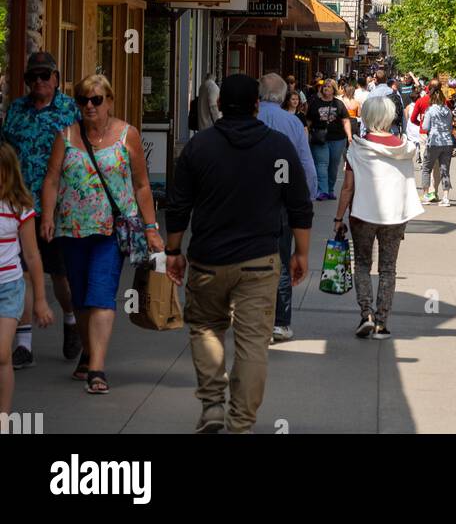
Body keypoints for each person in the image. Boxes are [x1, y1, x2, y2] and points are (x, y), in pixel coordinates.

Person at [165, 74, 312, 434]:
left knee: (205, 328)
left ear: (218, 105)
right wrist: (301, 253)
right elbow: (299, 204)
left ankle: (213, 404)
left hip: (207, 259)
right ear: (257, 106)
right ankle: (241, 423)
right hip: (260, 261)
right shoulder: (278, 147)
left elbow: (178, 203)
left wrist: (173, 250)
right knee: (253, 345)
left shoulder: (200, 147)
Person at [40, 73, 163, 394]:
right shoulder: (65, 135)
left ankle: (97, 367)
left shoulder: (127, 135)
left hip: (112, 230)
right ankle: (88, 351)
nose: (90, 106)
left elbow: (142, 185)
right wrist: (47, 217)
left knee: (102, 293)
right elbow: (52, 179)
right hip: (72, 229)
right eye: (83, 100)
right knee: (79, 296)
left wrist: (151, 228)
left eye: (96, 100)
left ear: (109, 101)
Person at [0, 50, 79, 369]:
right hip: (19, 201)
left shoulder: (69, 110)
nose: (38, 82)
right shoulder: (17, 109)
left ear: (56, 78)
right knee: (21, 272)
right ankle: (23, 342)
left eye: (44, 76)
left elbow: (77, 157)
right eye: (32, 77)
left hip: (55, 206)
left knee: (58, 273)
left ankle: (71, 320)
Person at [334, 95, 422, 339]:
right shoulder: (403, 148)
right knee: (388, 269)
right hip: (394, 215)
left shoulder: (359, 148)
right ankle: (382, 322)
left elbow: (348, 187)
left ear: (367, 118)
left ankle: (367, 314)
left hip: (362, 213)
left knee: (362, 264)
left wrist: (338, 218)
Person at [257, 73, 318, 344]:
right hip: (281, 202)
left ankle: (254, 317)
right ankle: (279, 322)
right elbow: (306, 164)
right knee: (281, 262)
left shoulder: (249, 120)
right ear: (283, 97)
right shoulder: (292, 123)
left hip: (248, 201)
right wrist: (308, 197)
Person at [0, 144, 53, 430]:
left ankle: (4, 418)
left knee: (1, 353)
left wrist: (41, 301)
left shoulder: (20, 208)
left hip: (9, 287)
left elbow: (32, 256)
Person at [306, 78, 352, 200]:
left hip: (338, 139)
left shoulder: (339, 104)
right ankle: (322, 191)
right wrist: (305, 136)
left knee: (333, 166)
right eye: (324, 86)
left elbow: (346, 120)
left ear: (334, 90)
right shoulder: (315, 103)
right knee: (321, 164)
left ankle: (330, 189)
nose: (326, 88)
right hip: (319, 138)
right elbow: (308, 121)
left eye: (329, 86)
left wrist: (349, 136)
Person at [419, 83, 455, 207]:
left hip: (434, 141)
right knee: (445, 170)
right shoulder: (448, 110)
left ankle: (426, 195)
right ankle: (446, 197)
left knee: (426, 168)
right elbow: (450, 127)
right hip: (447, 142)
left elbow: (425, 127)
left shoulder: (430, 110)